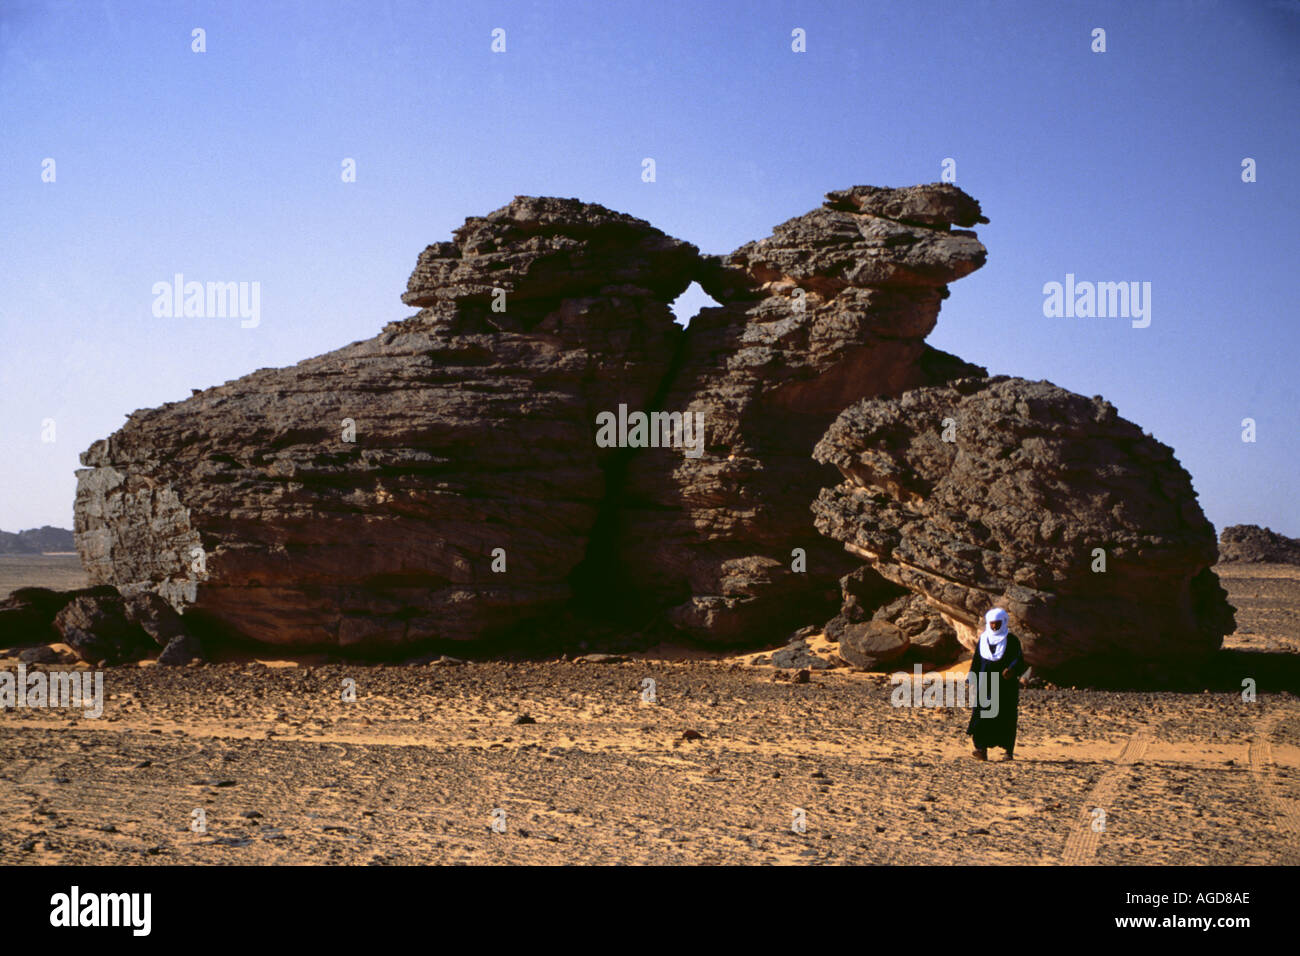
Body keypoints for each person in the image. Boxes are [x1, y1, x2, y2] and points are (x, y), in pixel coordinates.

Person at [966, 607, 1028, 761]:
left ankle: (1008, 751)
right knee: (981, 714)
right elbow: (977, 661)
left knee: (1005, 716)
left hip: (1005, 687)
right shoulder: (983, 639)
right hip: (985, 683)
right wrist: (972, 677)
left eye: (997, 623)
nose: (994, 626)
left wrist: (1012, 669)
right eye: (992, 623)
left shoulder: (1012, 640)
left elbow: (1019, 659)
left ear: (1004, 622)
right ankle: (981, 749)